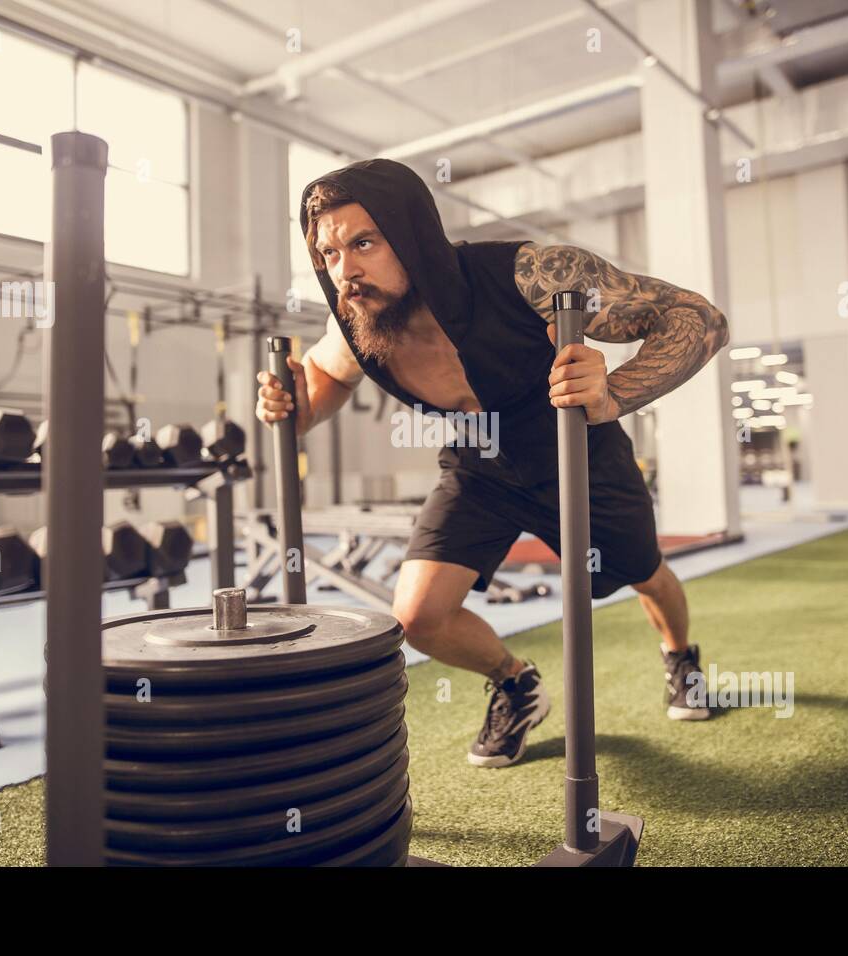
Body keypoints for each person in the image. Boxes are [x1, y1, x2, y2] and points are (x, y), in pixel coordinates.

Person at [256, 158, 729, 768]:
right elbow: (323, 374)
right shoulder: (356, 322)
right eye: (329, 253)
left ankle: (680, 656)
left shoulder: (531, 274)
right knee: (418, 617)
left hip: (579, 455)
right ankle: (516, 684)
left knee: (645, 573)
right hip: (480, 467)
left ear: (413, 234)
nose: (345, 270)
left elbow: (699, 320)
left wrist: (616, 390)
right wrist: (296, 408)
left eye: (364, 243)